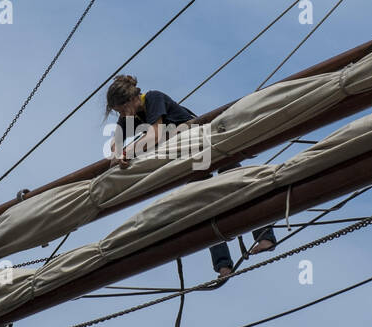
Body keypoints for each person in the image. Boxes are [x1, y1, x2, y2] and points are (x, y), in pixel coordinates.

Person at [104, 75, 276, 280]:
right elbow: (115, 143)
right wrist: (117, 154)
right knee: (200, 205)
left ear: (130, 100)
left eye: (121, 110)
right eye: (118, 113)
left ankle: (265, 237)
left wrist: (127, 152)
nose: (121, 115)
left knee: (238, 184)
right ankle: (223, 264)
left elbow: (156, 134)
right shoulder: (129, 118)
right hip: (189, 160)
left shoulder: (152, 99)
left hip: (206, 145)